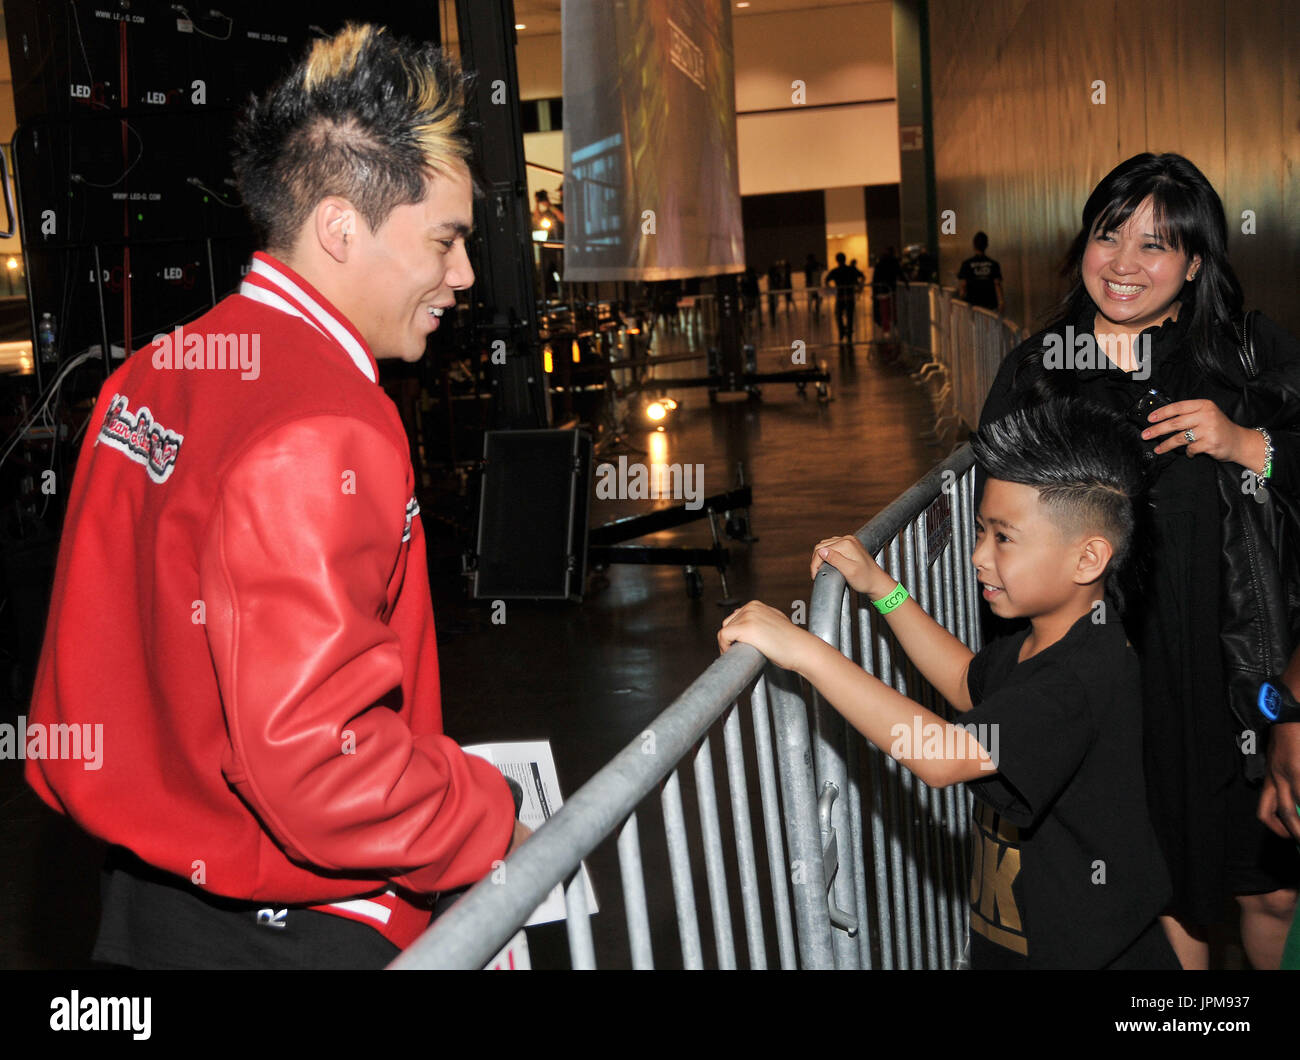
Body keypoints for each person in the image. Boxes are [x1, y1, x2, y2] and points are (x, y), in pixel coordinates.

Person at [24, 24, 529, 970]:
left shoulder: (148, 376)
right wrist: (489, 816)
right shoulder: (327, 423)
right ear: (341, 228)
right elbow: (319, 766)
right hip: (294, 932)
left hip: (139, 914)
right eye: (446, 240)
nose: (463, 275)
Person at [979, 152, 1300, 969]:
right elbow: (1004, 532)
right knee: (1150, 893)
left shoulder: (1243, 355)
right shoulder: (1038, 371)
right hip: (1104, 685)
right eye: (1108, 234)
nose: (1123, 264)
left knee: (1268, 886)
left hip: (1228, 671)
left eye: (1155, 245)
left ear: (1195, 262)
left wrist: (1248, 443)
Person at [719, 399, 1179, 968]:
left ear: (1088, 558)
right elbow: (967, 680)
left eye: (1003, 538)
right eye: (981, 531)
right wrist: (881, 588)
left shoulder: (1081, 676)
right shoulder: (1049, 640)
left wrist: (807, 653)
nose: (978, 555)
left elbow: (942, 756)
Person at [957, 231, 1004, 313]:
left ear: (974, 245)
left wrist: (960, 299)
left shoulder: (966, 264)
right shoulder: (994, 264)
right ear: (986, 245)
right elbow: (997, 284)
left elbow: (963, 287)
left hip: (972, 306)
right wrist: (1001, 302)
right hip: (990, 306)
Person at [826, 252, 859, 342]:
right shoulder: (851, 269)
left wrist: (831, 289)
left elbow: (826, 280)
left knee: (838, 314)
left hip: (840, 297)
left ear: (837, 260)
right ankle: (849, 331)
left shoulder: (835, 271)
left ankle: (842, 331)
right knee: (850, 315)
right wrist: (859, 288)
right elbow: (862, 276)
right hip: (850, 296)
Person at [871, 246, 901, 334]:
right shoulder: (894, 262)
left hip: (882, 291)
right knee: (893, 310)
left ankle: (886, 330)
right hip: (892, 290)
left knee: (884, 311)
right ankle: (894, 328)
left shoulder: (880, 264)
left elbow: (875, 278)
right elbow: (900, 273)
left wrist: (875, 291)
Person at [803, 252, 824, 323]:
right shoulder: (813, 265)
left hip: (812, 284)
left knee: (813, 298)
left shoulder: (807, 266)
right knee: (817, 298)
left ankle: (813, 311)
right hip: (814, 284)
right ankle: (814, 311)